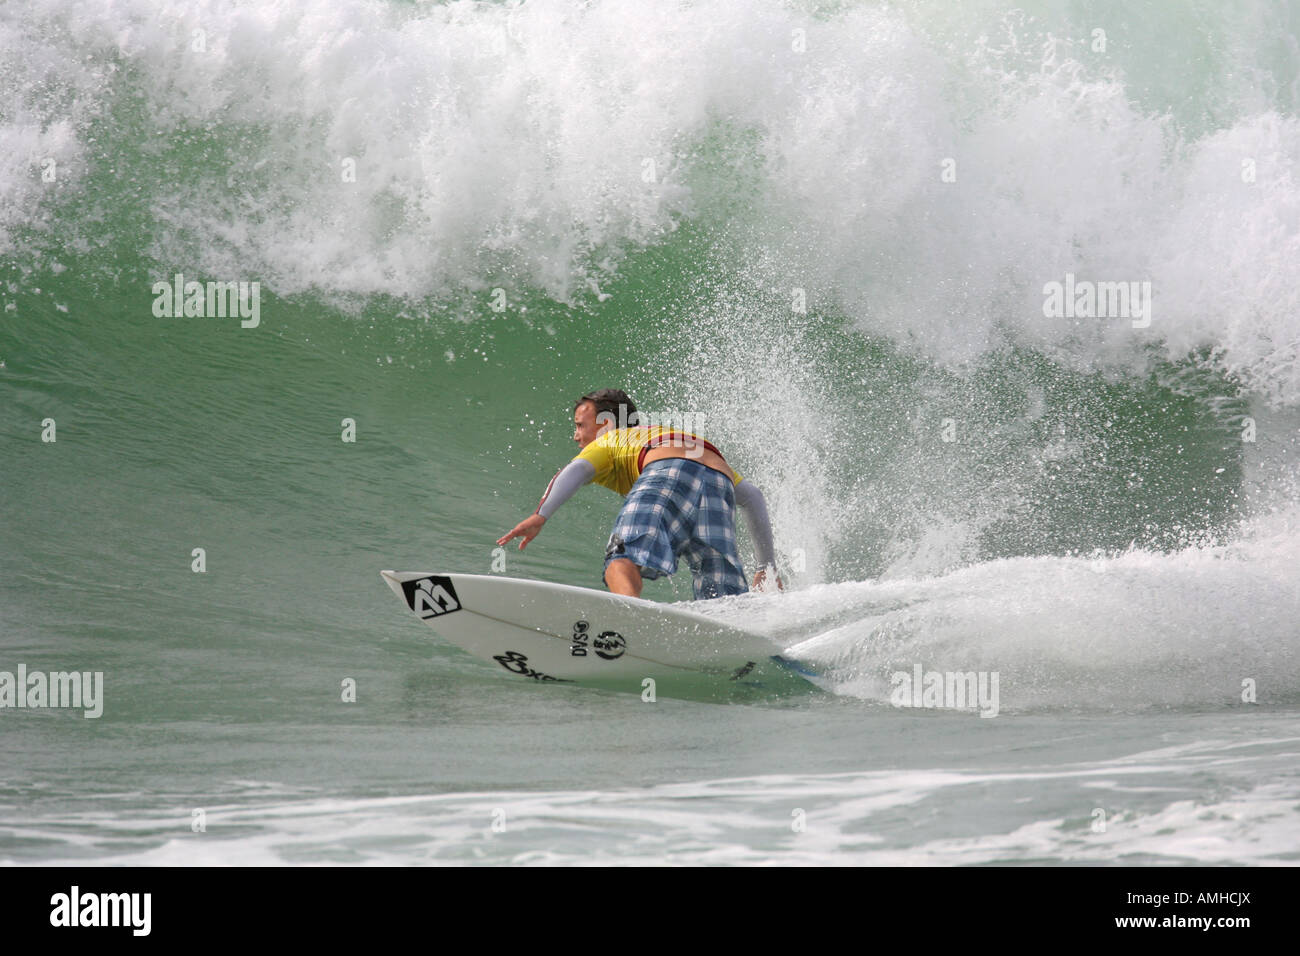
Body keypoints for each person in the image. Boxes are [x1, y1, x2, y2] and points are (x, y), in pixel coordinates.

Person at [496, 389, 780, 599]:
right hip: (720, 481)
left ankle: (628, 620)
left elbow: (576, 471)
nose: (575, 436)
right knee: (720, 593)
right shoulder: (665, 435)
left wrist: (540, 515)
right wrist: (766, 566)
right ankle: (732, 651)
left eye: (580, 425)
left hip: (667, 469)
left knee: (622, 557)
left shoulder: (611, 438)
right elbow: (752, 496)